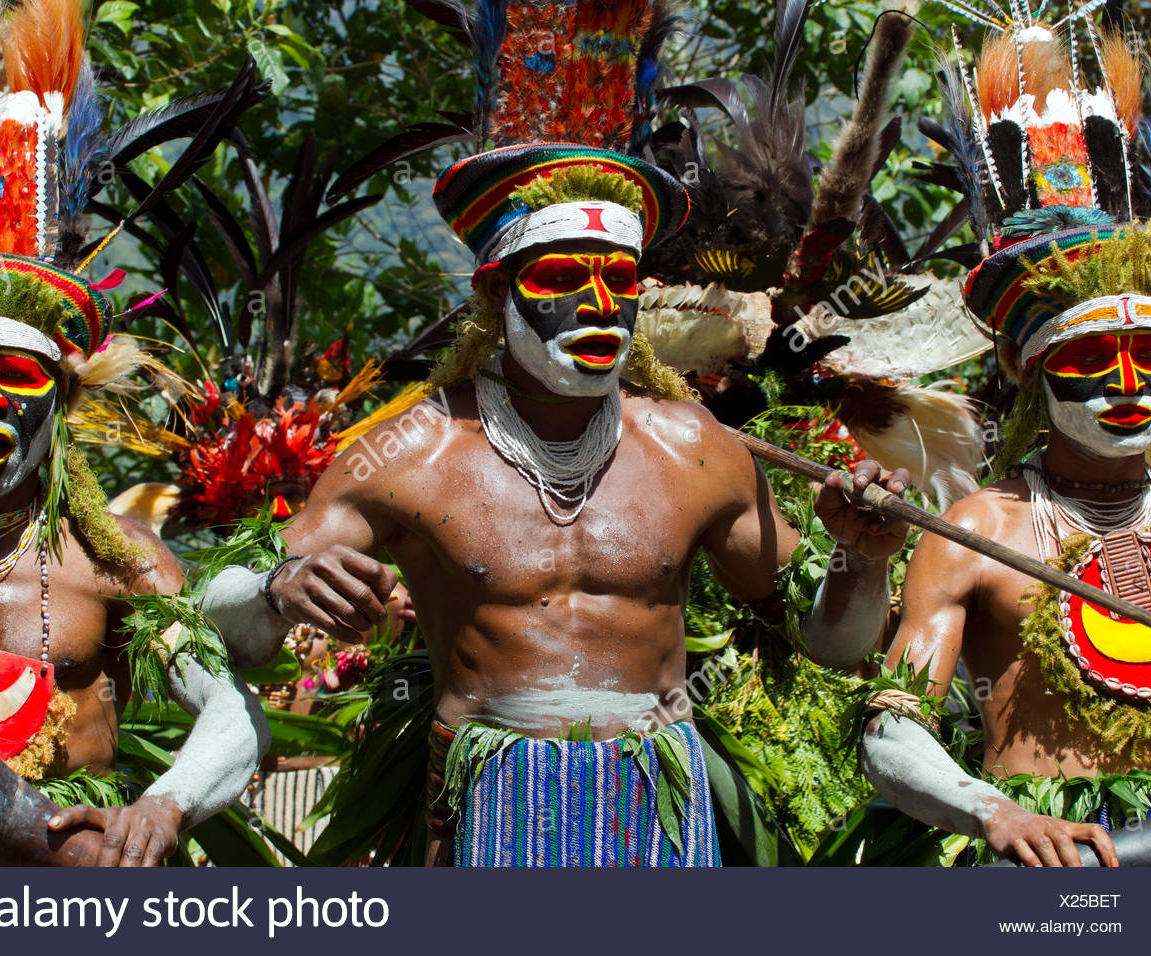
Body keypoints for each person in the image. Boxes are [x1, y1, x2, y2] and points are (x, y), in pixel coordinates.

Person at [203, 0, 909, 867]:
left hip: (663, 806)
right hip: (490, 810)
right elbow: (225, 627)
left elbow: (830, 642)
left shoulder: (692, 446)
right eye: (564, 276)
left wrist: (860, 556)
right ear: (498, 294)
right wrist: (282, 586)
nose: (598, 303)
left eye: (619, 279)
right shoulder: (407, 450)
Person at [0, 0, 267, 867]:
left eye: (14, 378)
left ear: (60, 395)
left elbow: (235, 713)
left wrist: (165, 804)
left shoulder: (120, 561)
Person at [861, 8, 1151, 867]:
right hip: (1054, 873)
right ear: (1026, 366)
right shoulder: (977, 532)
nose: (1126, 383)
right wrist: (993, 813)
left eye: (1148, 352)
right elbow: (890, 734)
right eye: (1091, 356)